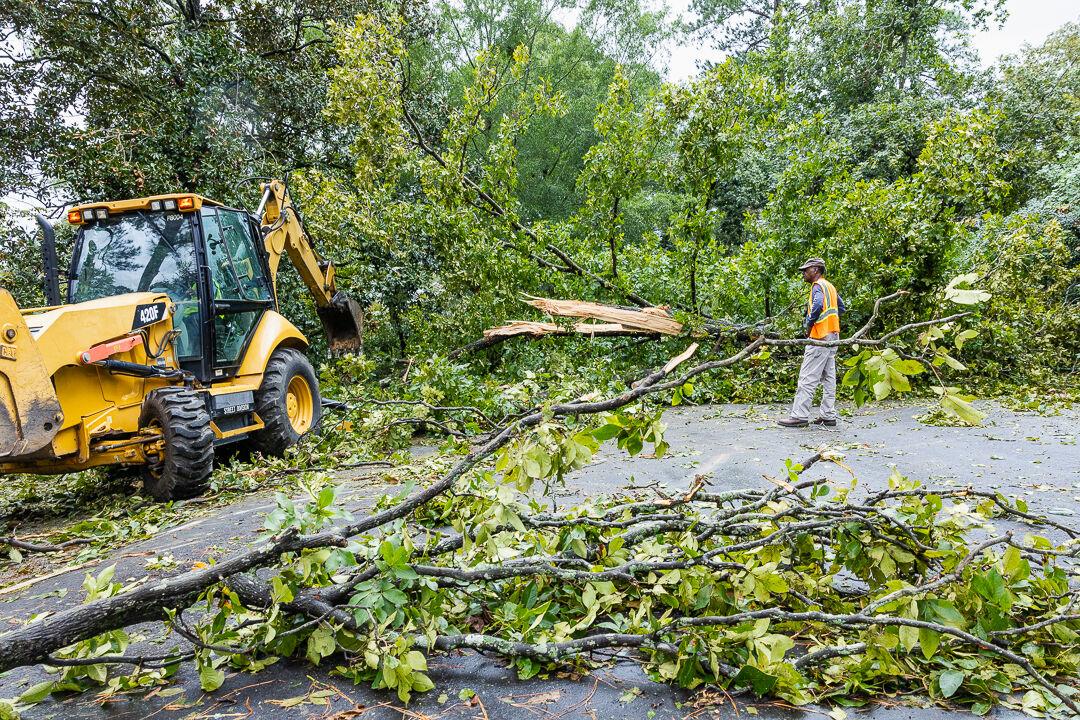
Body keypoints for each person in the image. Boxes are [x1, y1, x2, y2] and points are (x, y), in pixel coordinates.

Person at [778, 258, 846, 428]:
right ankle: (828, 415)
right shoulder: (829, 286)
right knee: (829, 377)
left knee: (808, 376)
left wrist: (809, 325)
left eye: (806, 270)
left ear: (815, 269)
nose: (803, 273)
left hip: (820, 337)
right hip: (832, 335)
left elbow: (816, 306)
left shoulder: (817, 286)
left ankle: (799, 416)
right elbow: (841, 307)